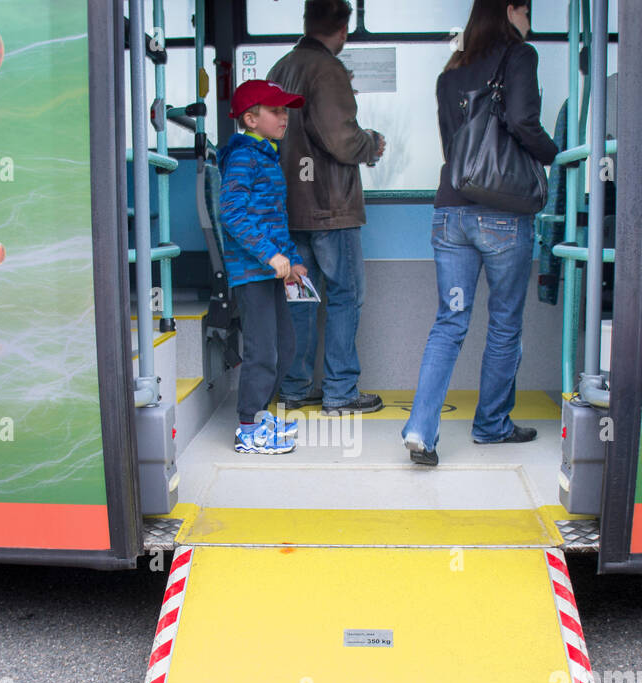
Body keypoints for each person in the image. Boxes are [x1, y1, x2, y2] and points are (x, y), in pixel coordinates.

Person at [401, 0, 558, 466]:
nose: (529, 24)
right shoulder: (519, 56)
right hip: (502, 213)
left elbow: (457, 145)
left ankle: (420, 431)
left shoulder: (450, 73)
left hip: (450, 211)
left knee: (449, 322)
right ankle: (491, 425)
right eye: (528, 13)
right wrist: (555, 152)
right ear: (512, 9)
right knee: (504, 322)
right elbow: (522, 122)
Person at [267, 0, 386, 416]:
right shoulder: (328, 70)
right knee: (344, 296)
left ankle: (296, 387)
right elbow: (341, 139)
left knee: (299, 299)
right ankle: (340, 391)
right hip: (330, 209)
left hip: (289, 210)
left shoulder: (280, 69)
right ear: (342, 28)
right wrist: (370, 143)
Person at [217, 79, 310, 454]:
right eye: (275, 110)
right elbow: (232, 213)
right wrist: (270, 255)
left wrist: (294, 259)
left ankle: (261, 415)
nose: (284, 116)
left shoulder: (267, 155)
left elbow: (275, 220)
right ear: (251, 118)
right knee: (262, 351)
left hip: (272, 269)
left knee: (284, 346)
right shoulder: (243, 157)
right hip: (252, 270)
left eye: (285, 110)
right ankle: (248, 428)